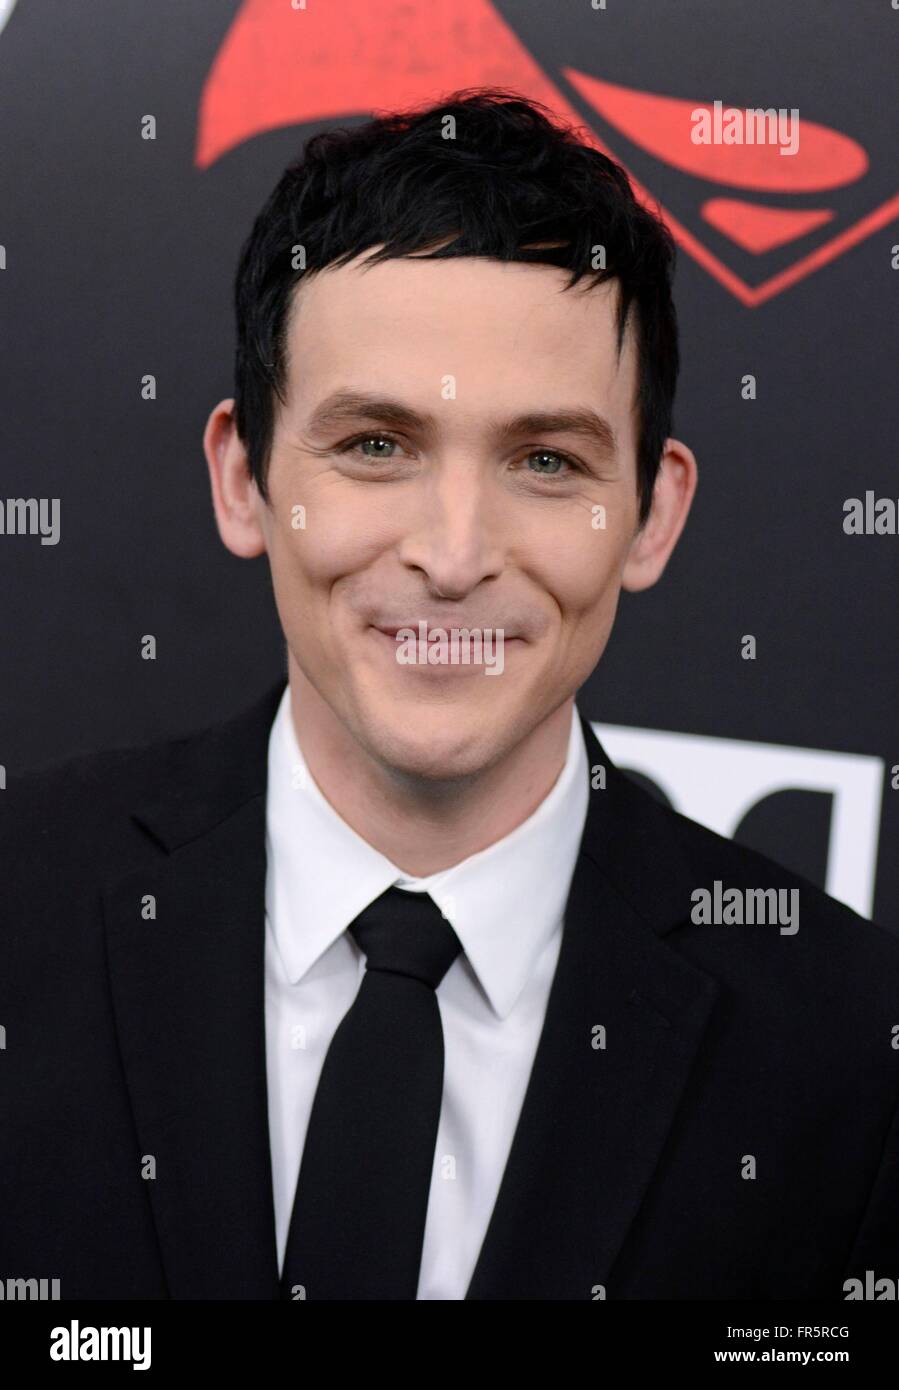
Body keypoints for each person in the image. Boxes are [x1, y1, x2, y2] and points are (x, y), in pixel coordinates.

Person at [2, 89, 898, 1301]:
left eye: (545, 461)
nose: (455, 548)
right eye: (375, 444)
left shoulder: (849, 1053)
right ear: (242, 479)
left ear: (652, 513)